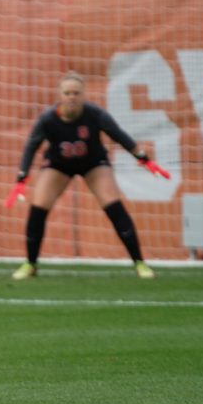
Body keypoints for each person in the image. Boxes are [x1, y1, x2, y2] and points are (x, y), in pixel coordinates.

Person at [10, 71, 156, 280]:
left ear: (83, 95)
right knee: (38, 206)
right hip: (59, 164)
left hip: (93, 163)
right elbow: (31, 146)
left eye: (76, 93)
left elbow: (118, 135)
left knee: (113, 204)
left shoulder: (95, 114)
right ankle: (30, 264)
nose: (72, 97)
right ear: (60, 95)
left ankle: (140, 263)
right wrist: (22, 176)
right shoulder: (47, 119)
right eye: (67, 93)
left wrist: (142, 158)